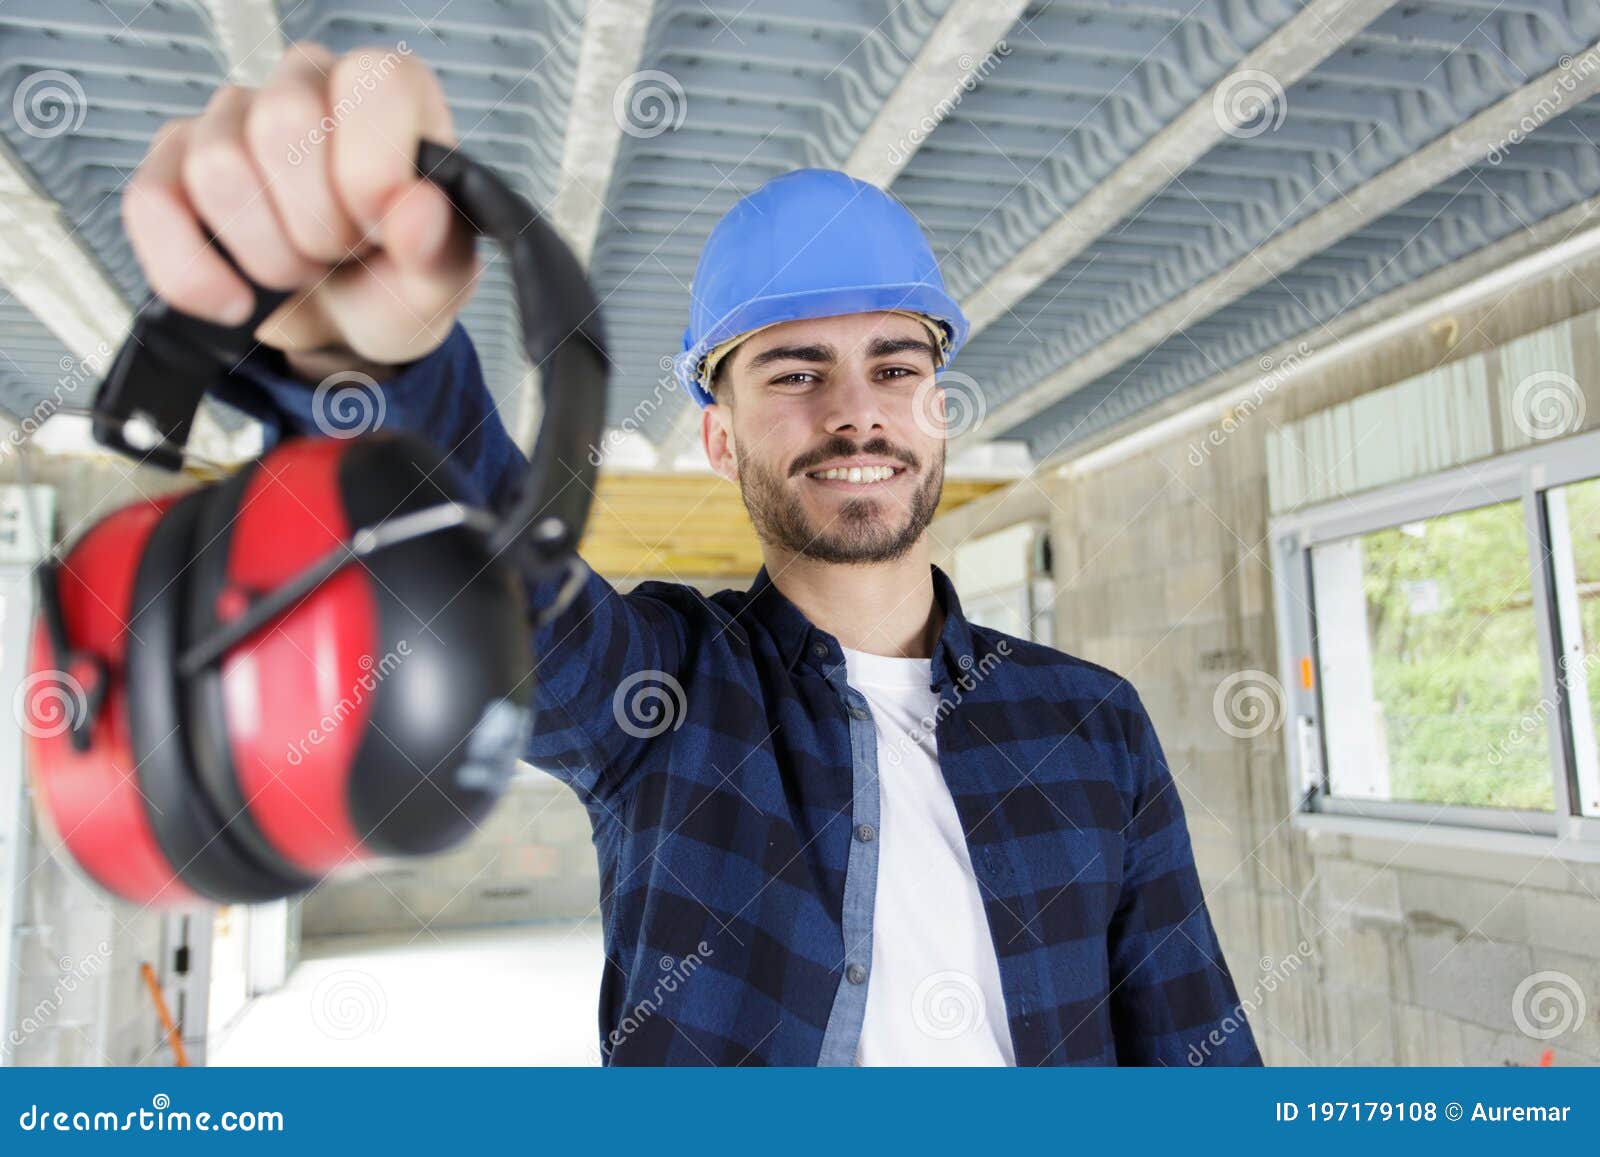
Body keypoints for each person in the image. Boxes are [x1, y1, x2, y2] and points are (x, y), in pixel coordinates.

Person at [124, 42, 1261, 1067]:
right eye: (795, 372)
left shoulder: (1090, 721)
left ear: (940, 405)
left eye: (896, 365)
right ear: (718, 437)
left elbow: (1191, 1043)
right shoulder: (662, 694)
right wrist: (378, 363)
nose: (857, 413)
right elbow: (494, 577)